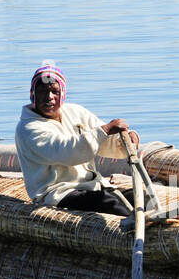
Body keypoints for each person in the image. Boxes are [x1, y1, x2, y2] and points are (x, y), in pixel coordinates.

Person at [15, 64, 139, 217]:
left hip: (91, 186)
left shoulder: (75, 112)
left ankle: (165, 226)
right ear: (32, 94)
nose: (49, 97)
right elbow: (67, 152)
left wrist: (126, 142)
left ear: (63, 93)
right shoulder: (29, 128)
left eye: (55, 91)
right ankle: (137, 232)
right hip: (57, 193)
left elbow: (105, 143)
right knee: (108, 203)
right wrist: (105, 130)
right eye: (42, 92)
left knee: (139, 198)